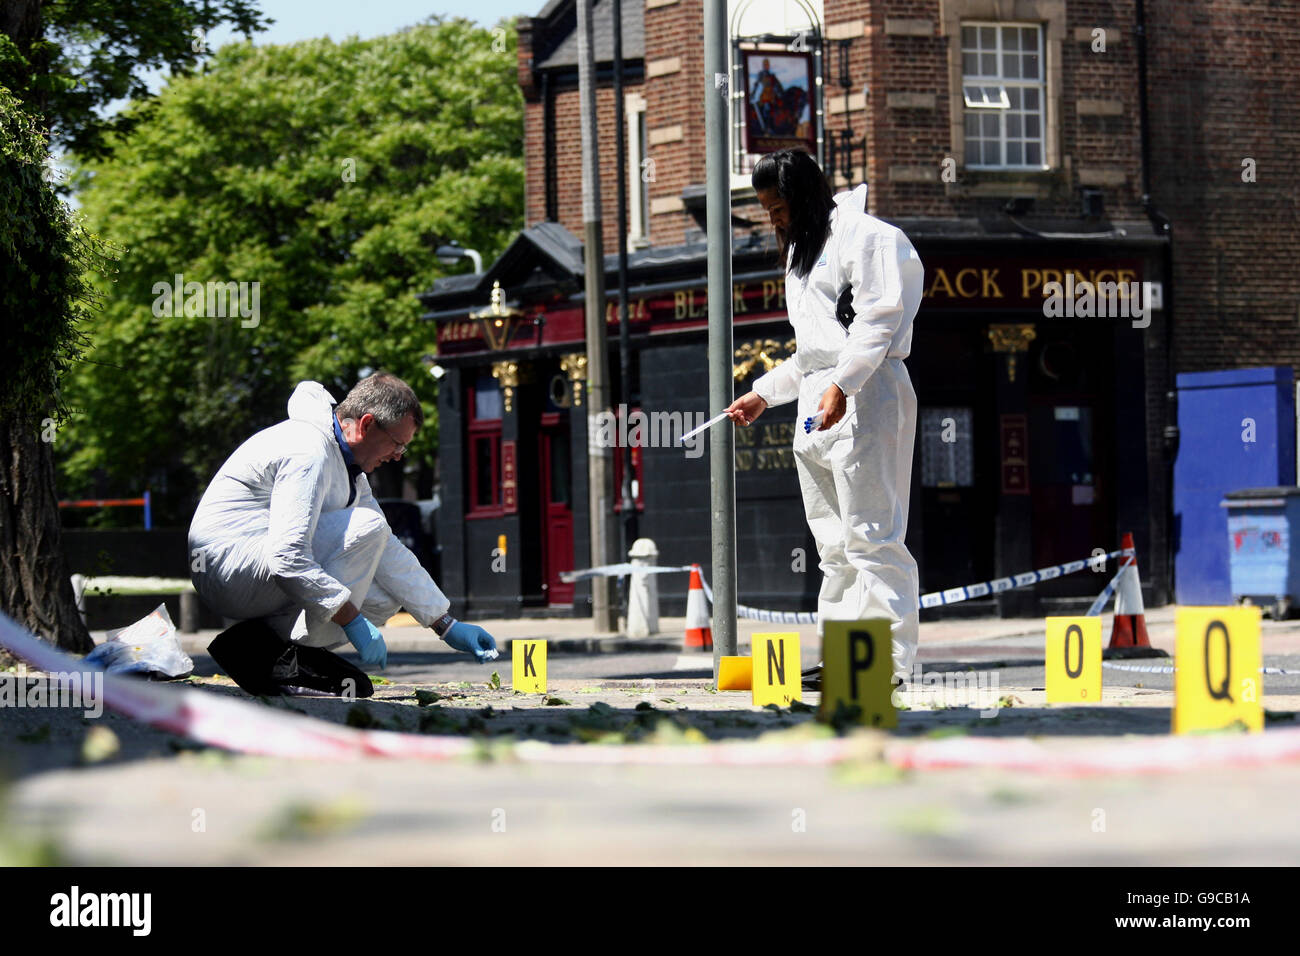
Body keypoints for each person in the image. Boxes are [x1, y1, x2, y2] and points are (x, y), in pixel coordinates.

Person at [726, 149, 924, 679]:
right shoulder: (804, 253)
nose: (773, 219)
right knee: (834, 546)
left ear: (805, 196)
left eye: (778, 207)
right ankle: (846, 659)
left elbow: (879, 323)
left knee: (873, 535)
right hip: (822, 397)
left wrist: (842, 384)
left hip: (870, 393)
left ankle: (891, 663)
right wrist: (764, 393)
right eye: (767, 209)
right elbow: (812, 351)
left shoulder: (869, 237)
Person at [189, 373, 498, 675]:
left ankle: (277, 652)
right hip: (227, 567)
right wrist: (351, 620)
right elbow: (287, 556)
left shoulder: (350, 470)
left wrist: (446, 625)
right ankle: (277, 656)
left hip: (254, 568)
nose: (398, 456)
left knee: (385, 596)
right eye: (396, 444)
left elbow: (387, 549)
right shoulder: (309, 451)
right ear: (366, 425)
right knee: (367, 526)